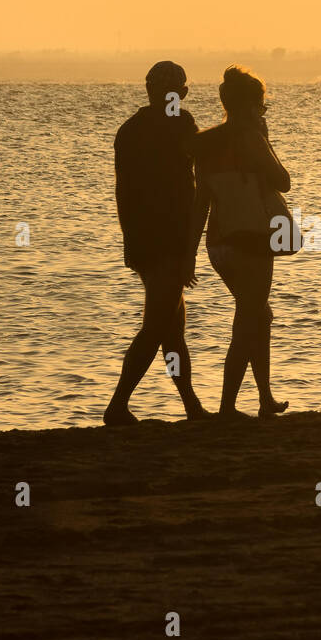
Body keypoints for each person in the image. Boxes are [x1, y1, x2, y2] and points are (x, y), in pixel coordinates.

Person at [103, 61, 209, 425]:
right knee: (157, 326)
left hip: (142, 239)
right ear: (179, 92)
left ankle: (192, 407)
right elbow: (203, 158)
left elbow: (123, 193)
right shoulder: (180, 122)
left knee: (171, 328)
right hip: (168, 240)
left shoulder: (129, 130)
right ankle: (117, 405)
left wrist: (129, 240)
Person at [190, 65, 291, 419]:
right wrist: (265, 140)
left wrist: (189, 256)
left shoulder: (203, 142)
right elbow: (283, 180)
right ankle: (227, 407)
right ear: (250, 106)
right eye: (261, 105)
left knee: (259, 316)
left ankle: (264, 398)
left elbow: (201, 201)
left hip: (218, 242)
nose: (262, 112)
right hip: (252, 237)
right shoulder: (251, 137)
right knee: (248, 318)